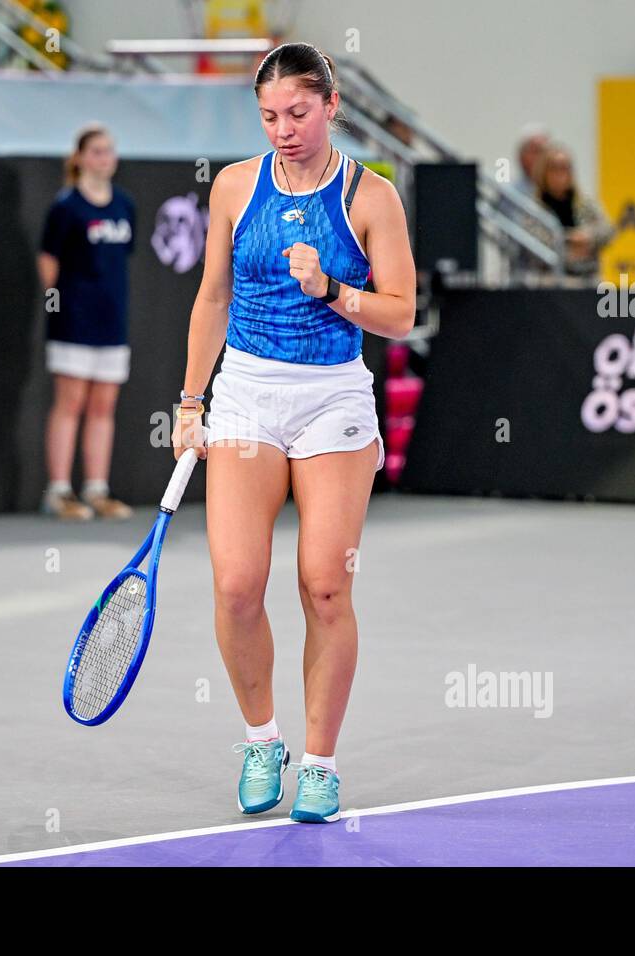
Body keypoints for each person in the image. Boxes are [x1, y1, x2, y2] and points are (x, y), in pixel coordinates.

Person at [174, 42, 416, 823]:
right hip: (245, 395)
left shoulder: (371, 197)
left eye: (299, 113)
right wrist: (188, 402)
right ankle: (260, 739)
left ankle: (319, 762)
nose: (284, 129)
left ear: (333, 105)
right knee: (238, 586)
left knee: (324, 584)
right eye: (270, 115)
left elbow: (402, 312)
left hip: (332, 404)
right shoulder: (236, 189)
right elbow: (213, 298)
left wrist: (334, 289)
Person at [37, 123, 136, 520]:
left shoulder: (125, 205)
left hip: (112, 323)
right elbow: (48, 264)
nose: (104, 158)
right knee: (71, 402)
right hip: (73, 323)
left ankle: (97, 489)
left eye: (109, 150)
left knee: (103, 405)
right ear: (80, 158)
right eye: (96, 151)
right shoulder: (66, 207)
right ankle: (59, 491)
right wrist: (65, 303)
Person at [525, 141, 615, 281]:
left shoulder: (584, 203)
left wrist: (588, 237)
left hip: (588, 278)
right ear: (544, 172)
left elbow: (608, 229)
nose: (561, 174)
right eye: (554, 168)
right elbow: (533, 242)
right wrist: (568, 243)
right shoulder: (534, 208)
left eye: (565, 168)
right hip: (549, 280)